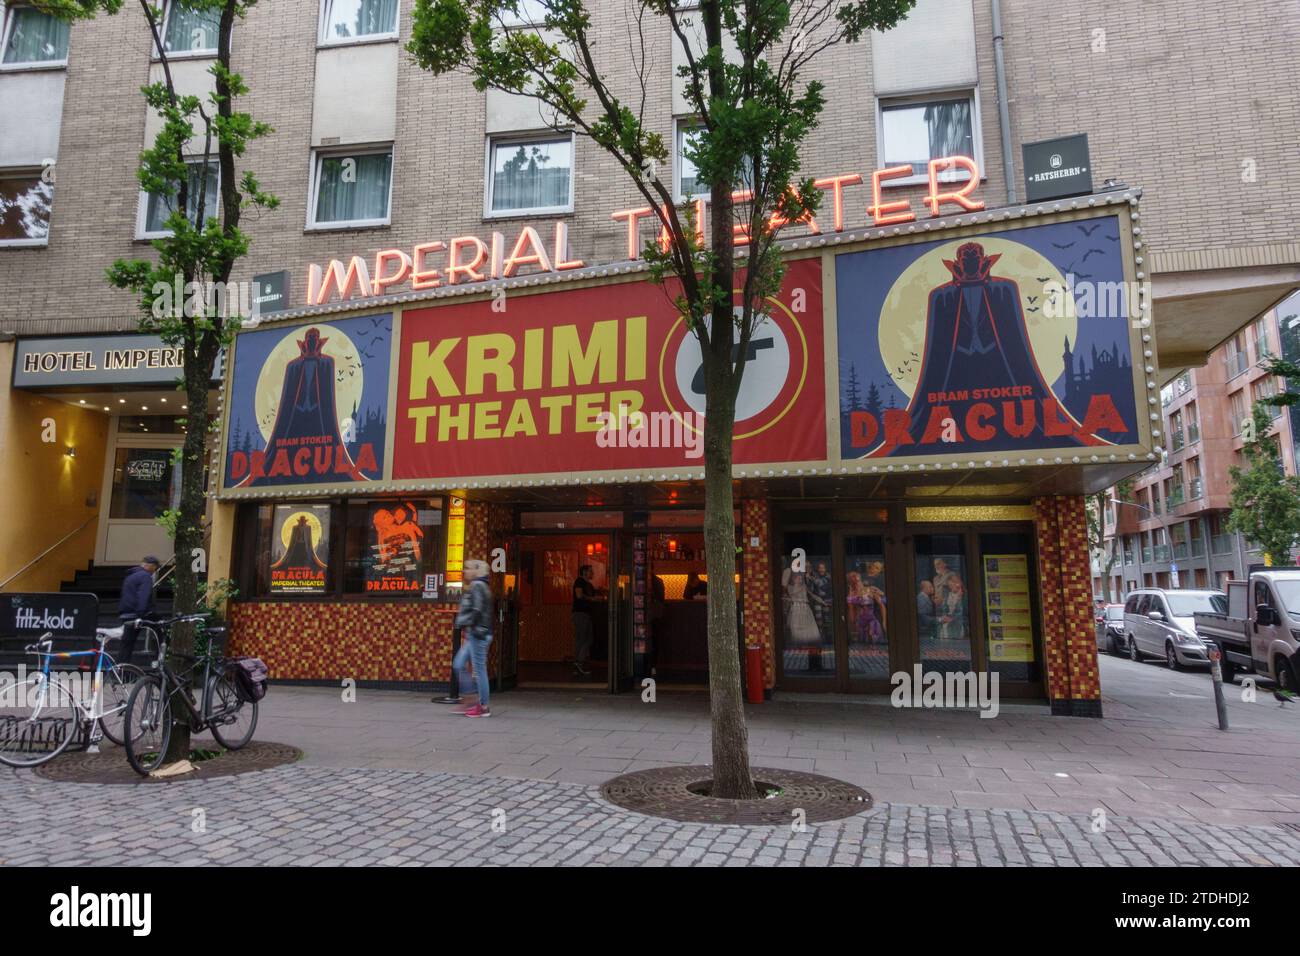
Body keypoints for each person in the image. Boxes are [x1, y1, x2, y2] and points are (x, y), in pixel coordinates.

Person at [452, 559, 493, 717]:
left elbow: (476, 610)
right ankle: (471, 701)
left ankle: (482, 706)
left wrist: (464, 622)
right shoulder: (481, 586)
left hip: (477, 634)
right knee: (459, 663)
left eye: (468, 568)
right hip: (477, 633)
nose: (464, 571)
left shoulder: (477, 586)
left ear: (477, 571)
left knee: (479, 670)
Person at [117, 555, 159, 666]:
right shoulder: (145, 577)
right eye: (155, 568)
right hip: (136, 614)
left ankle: (119, 672)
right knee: (160, 629)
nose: (154, 571)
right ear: (151, 566)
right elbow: (143, 597)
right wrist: (141, 614)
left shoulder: (130, 576)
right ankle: (159, 661)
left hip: (125, 614)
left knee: (126, 646)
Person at [572, 564, 602, 677]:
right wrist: (593, 598)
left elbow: (594, 594)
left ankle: (578, 663)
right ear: (584, 572)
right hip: (580, 614)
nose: (592, 573)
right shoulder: (579, 581)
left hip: (587, 614)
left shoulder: (589, 584)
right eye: (590, 571)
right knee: (582, 638)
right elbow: (579, 595)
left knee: (588, 638)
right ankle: (578, 663)